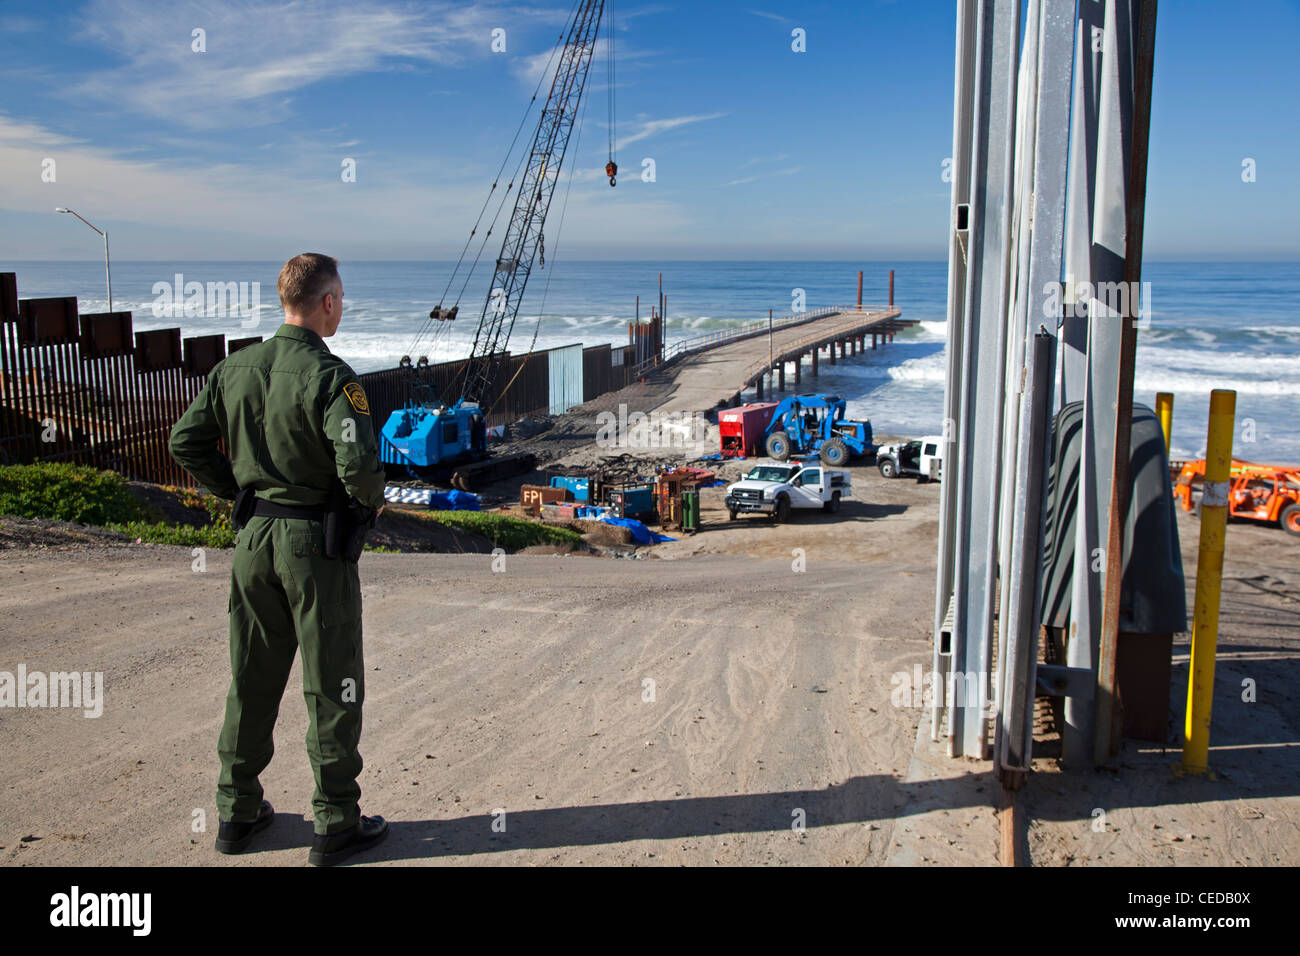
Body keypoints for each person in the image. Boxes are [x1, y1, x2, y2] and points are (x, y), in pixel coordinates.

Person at [169, 253, 389, 866]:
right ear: (325, 302)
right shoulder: (331, 377)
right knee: (332, 682)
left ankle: (237, 814)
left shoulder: (233, 368)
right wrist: (364, 510)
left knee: (252, 676)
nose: (341, 307)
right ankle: (336, 820)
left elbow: (183, 440)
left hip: (253, 541)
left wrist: (236, 493)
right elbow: (358, 468)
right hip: (314, 546)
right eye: (340, 298)